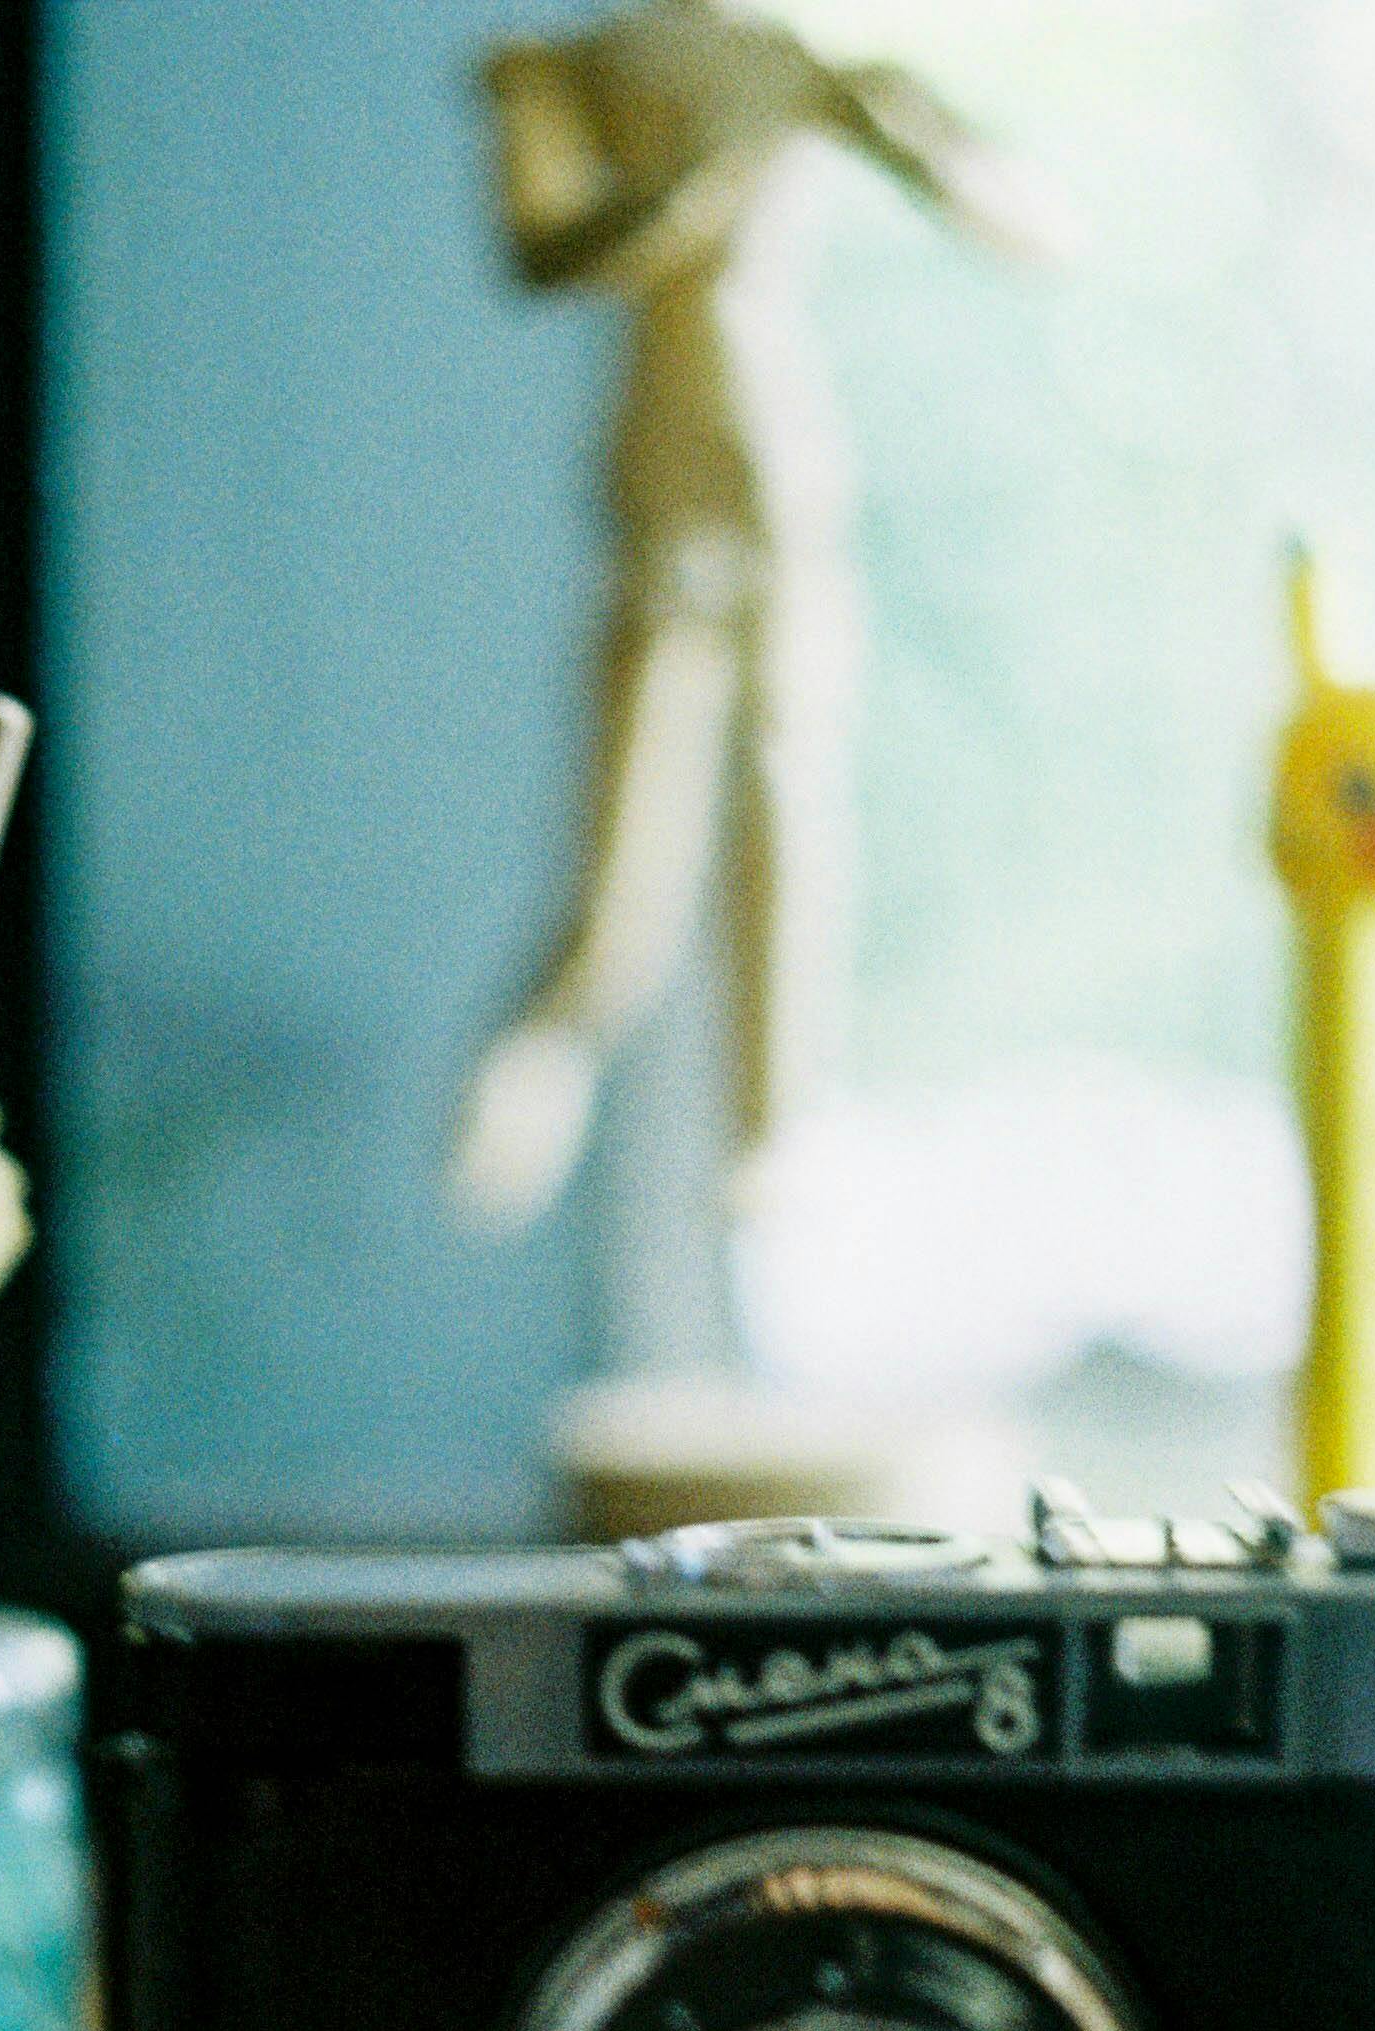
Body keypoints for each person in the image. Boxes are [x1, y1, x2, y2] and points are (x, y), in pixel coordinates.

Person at [453, 0, 1070, 1229]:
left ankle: (772, 1133)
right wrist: (694, 179)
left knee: (791, 790)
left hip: (783, 462)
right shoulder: (563, 74)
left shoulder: (797, 68)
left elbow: (1041, 228)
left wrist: (905, 140)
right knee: (631, 837)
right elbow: (542, 253)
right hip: (662, 460)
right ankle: (546, 1053)